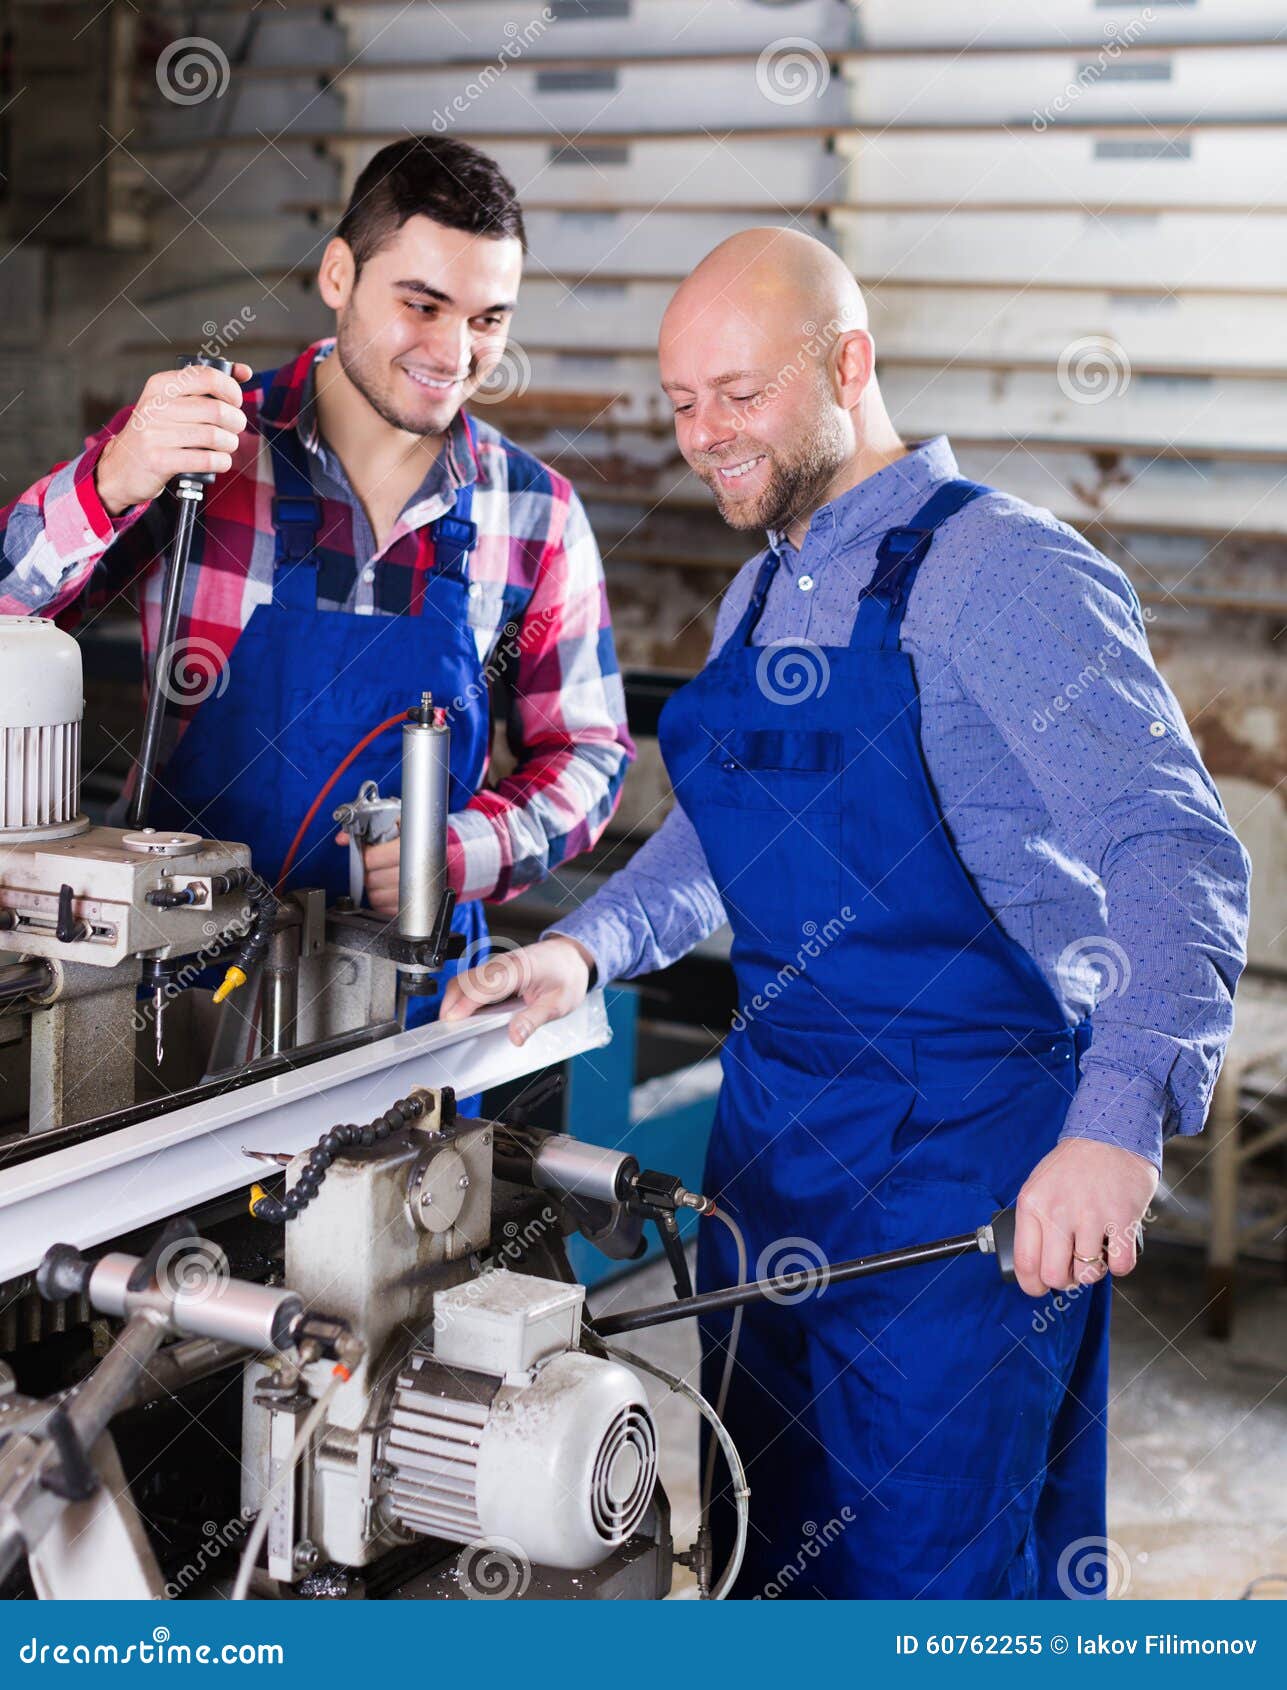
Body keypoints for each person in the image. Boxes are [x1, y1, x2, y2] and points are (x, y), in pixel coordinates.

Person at [441, 229, 1251, 1597]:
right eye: (682, 404)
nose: (704, 438)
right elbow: (720, 835)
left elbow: (1173, 850)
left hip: (958, 1169)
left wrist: (1115, 1122)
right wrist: (584, 947)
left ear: (848, 366)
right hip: (768, 1161)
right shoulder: (762, 589)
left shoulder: (1002, 574)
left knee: (934, 1587)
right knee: (763, 1546)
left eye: (738, 396)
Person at [0, 136, 634, 1023]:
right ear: (338, 274)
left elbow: (589, 756)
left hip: (412, 997)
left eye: (488, 319)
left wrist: (455, 849)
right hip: (172, 987)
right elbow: (9, 614)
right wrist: (112, 481)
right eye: (422, 304)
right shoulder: (203, 450)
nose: (454, 354)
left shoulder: (535, 515)